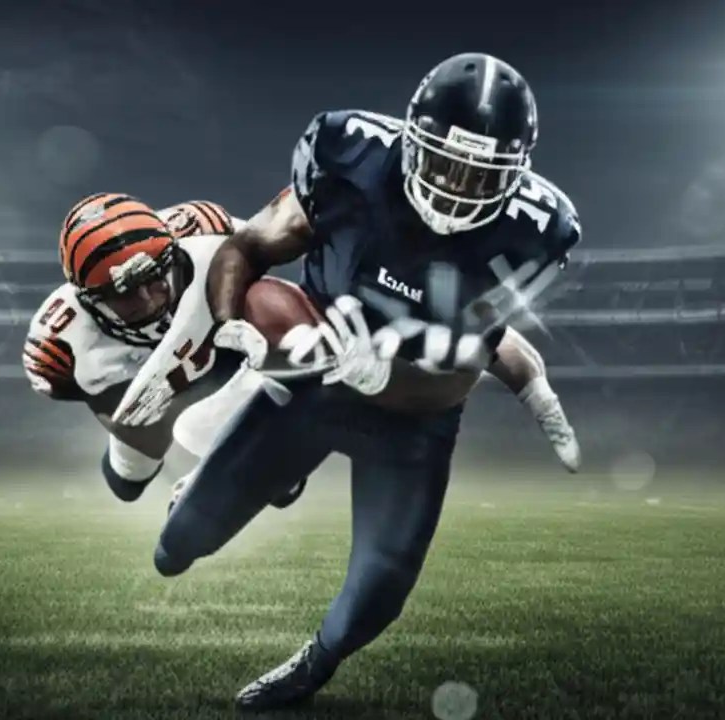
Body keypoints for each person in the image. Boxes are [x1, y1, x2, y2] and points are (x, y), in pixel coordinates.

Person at [132, 53, 583, 710]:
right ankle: (274, 474)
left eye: (484, 175)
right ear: (408, 140)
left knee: (380, 588)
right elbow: (247, 247)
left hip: (415, 415)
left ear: (518, 175)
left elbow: (457, 378)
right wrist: (231, 325)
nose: (459, 187)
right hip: (313, 375)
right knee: (174, 549)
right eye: (446, 162)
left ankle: (313, 666)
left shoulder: (536, 232)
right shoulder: (348, 159)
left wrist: (380, 376)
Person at [22, 193, 307, 509]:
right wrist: (148, 405)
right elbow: (104, 403)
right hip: (138, 378)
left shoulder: (207, 232)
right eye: (124, 294)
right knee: (127, 480)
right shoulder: (63, 340)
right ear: (90, 301)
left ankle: (259, 450)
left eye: (154, 278)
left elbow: (256, 266)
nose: (147, 299)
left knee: (261, 300)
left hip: (218, 345)